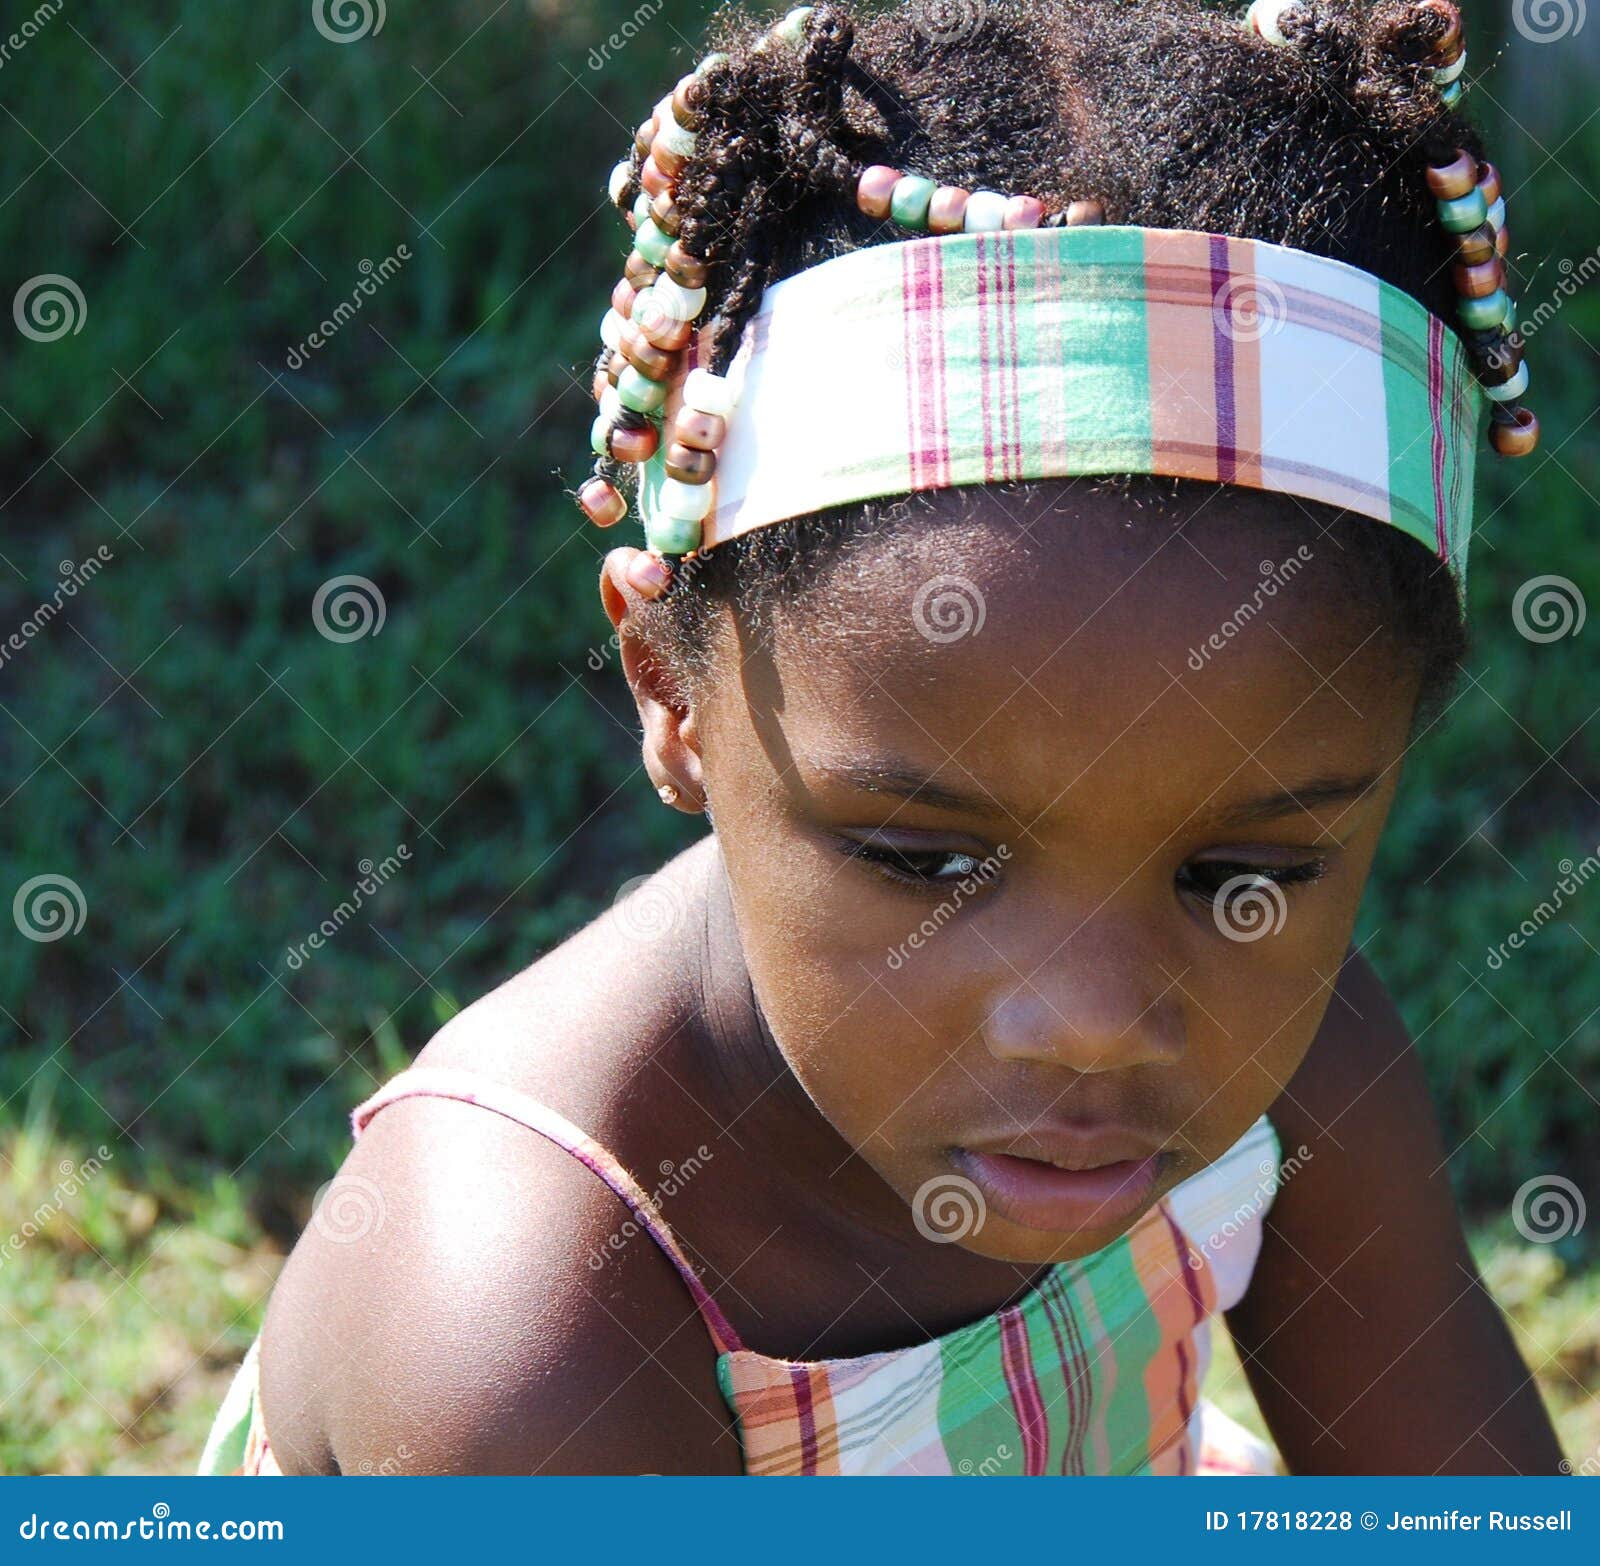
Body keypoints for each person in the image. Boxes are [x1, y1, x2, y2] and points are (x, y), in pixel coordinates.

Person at [199, 0, 1562, 1476]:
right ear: (669, 690)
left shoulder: (1292, 1052)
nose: (1094, 1015)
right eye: (926, 859)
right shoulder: (522, 1315)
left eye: (1248, 865)